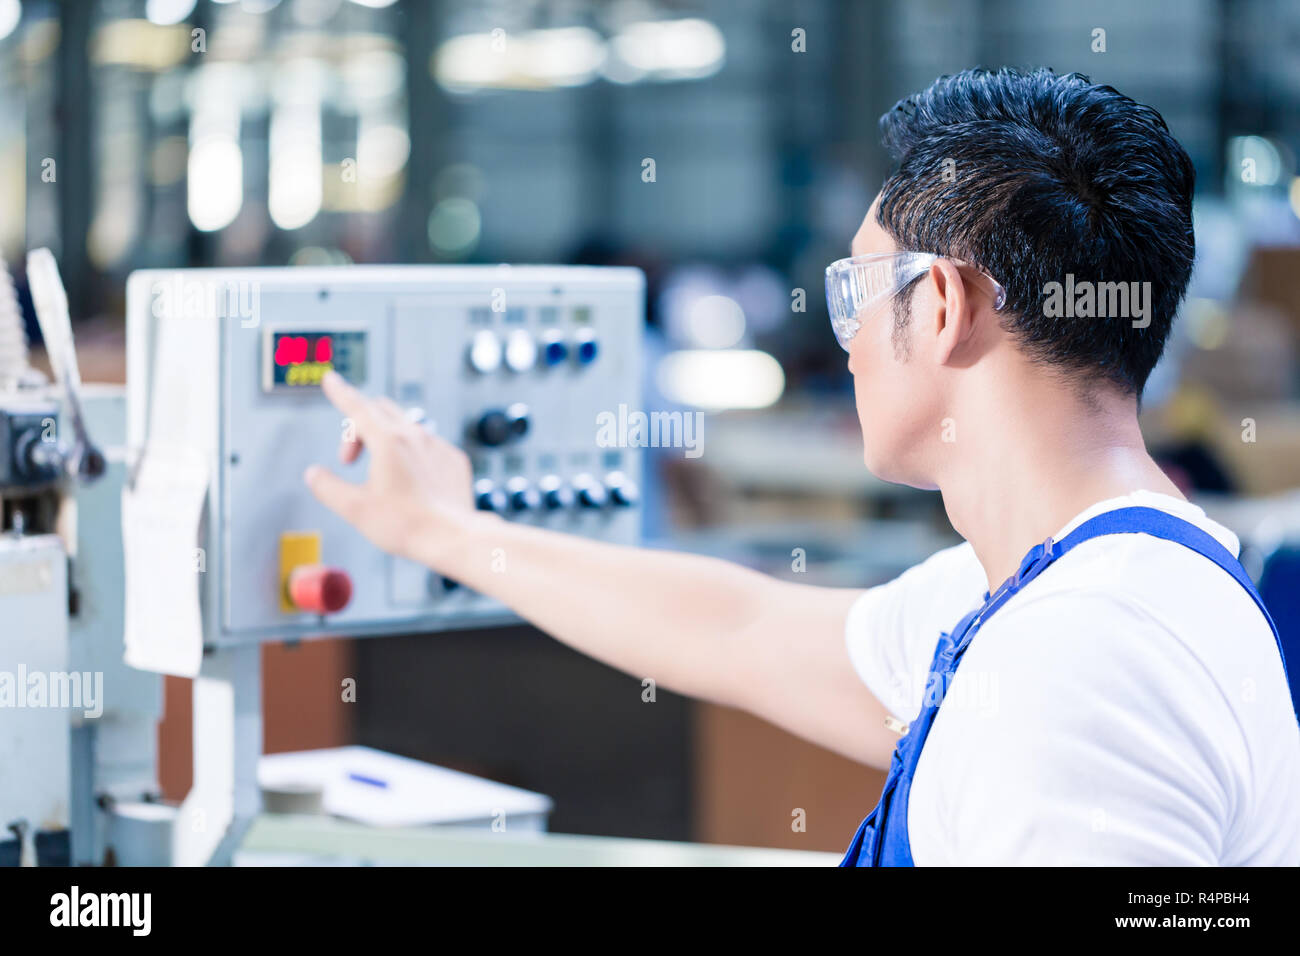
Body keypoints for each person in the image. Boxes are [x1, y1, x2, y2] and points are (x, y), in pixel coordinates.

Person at [304, 68, 1300, 866]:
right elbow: (741, 627)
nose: (852, 344)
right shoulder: (1038, 588)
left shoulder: (1079, 663)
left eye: (853, 291)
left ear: (943, 305)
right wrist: (445, 529)